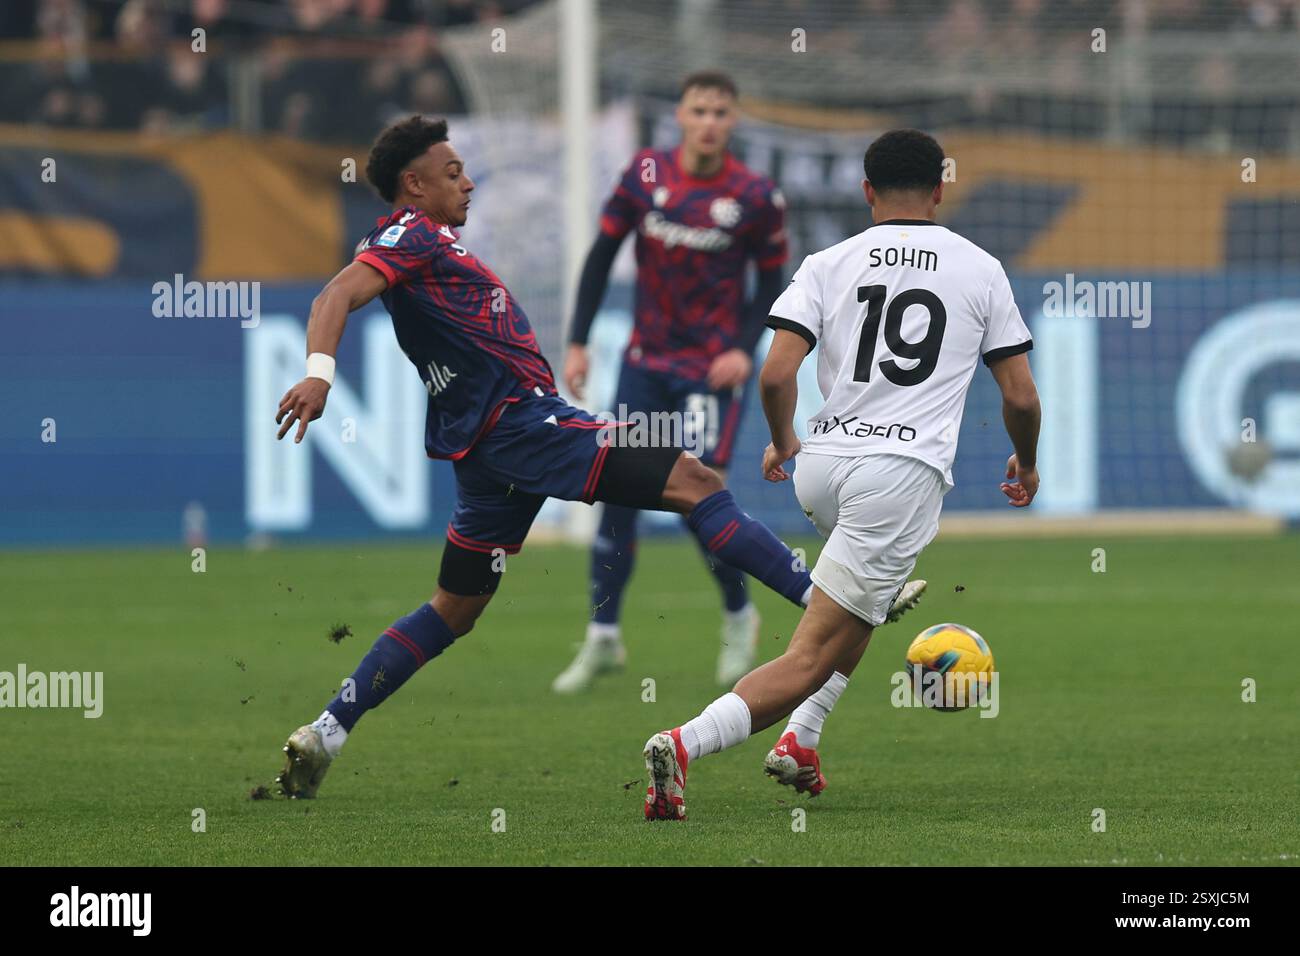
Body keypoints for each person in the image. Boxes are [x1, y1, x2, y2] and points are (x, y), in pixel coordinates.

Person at [270, 115, 817, 799]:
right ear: (413, 185)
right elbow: (334, 294)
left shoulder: (420, 240)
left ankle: (327, 730)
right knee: (694, 477)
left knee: (454, 609)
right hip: (526, 425)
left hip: (490, 448)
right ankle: (823, 600)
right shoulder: (406, 234)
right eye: (450, 174)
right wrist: (320, 372)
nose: (467, 183)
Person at [641, 128, 1042, 820]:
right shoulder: (980, 268)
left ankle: (803, 739)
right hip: (900, 473)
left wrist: (783, 439)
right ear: (940, 189)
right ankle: (682, 743)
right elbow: (1021, 396)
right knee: (810, 652)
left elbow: (774, 373)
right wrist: (1027, 461)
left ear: (868, 193)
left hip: (822, 468)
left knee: (860, 606)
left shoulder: (828, 262)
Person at [554, 70, 788, 692]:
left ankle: (739, 616)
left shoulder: (755, 197)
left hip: (709, 373)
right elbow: (602, 256)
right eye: (699, 110)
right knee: (617, 494)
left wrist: (743, 350)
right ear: (679, 116)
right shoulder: (646, 177)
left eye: (720, 112)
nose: (709, 122)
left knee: (699, 498)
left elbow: (771, 283)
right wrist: (577, 342)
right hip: (644, 366)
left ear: (732, 121)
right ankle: (603, 637)